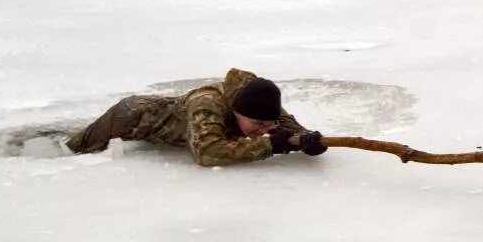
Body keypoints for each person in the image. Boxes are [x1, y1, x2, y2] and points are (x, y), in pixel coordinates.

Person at [65, 68, 327, 167]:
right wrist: (271, 145)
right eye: (258, 125)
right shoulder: (207, 105)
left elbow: (283, 123)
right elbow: (207, 152)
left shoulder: (255, 101)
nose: (264, 129)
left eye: (269, 124)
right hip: (130, 117)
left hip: (164, 114)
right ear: (236, 111)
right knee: (73, 150)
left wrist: (305, 138)